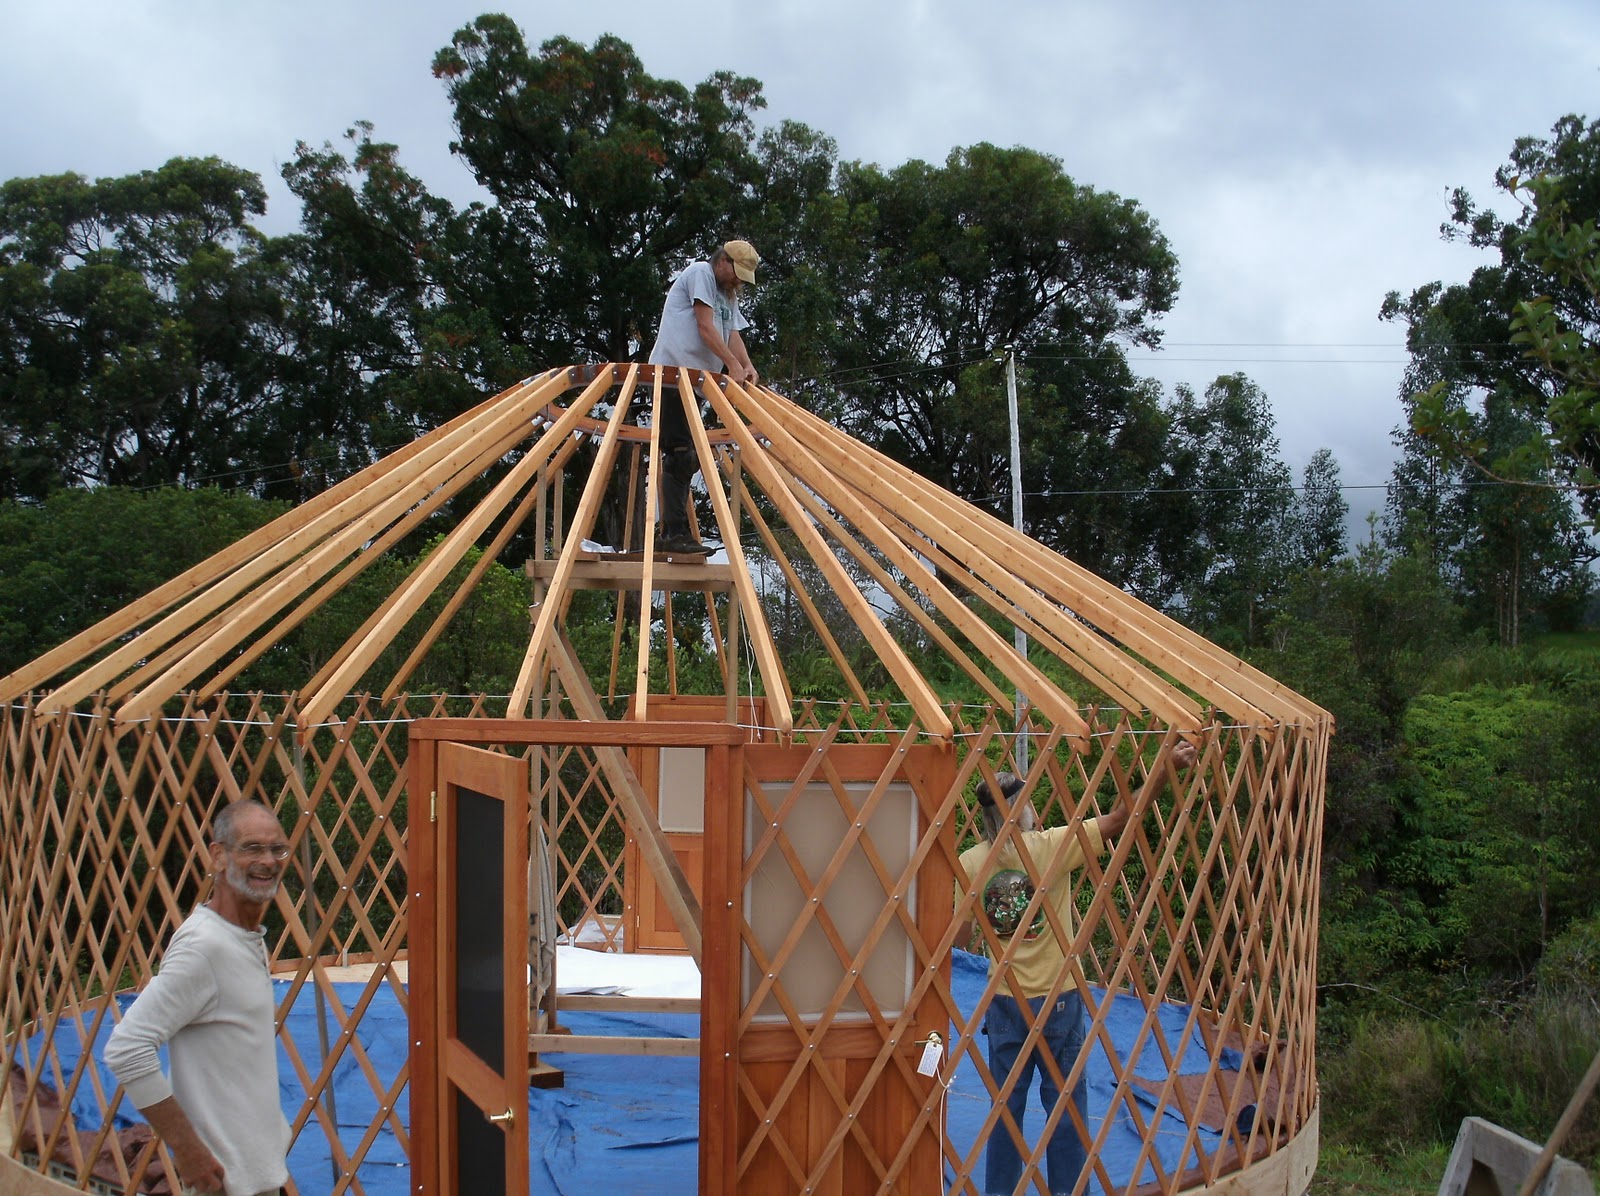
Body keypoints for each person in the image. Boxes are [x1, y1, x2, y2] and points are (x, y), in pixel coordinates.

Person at [957, 740, 1197, 1196]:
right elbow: (1123, 819)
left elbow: (960, 941)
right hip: (1059, 1000)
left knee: (1005, 1111)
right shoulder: (1052, 846)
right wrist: (1165, 769)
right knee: (1066, 1111)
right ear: (1018, 809)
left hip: (1005, 1003)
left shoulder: (971, 862)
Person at [105, 799, 293, 1196]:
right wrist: (188, 1151)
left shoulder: (243, 935)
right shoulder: (204, 948)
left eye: (278, 849)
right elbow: (127, 1048)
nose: (270, 860)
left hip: (257, 1176)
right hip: (226, 1184)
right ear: (219, 856)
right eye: (252, 848)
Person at [646, 239, 761, 554]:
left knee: (687, 454)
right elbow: (705, 328)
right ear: (723, 260)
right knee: (680, 451)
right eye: (736, 272)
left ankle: (675, 532)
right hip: (672, 375)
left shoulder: (727, 295)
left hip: (695, 383)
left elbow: (731, 333)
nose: (738, 281)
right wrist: (733, 366)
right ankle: (672, 534)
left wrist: (747, 365)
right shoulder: (701, 273)